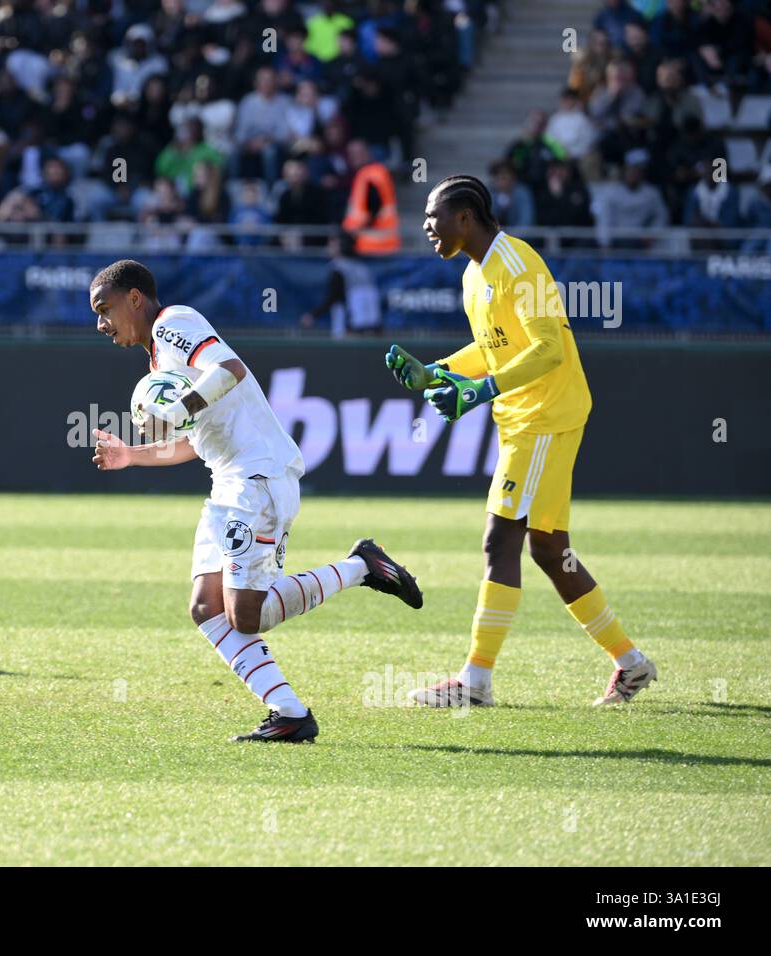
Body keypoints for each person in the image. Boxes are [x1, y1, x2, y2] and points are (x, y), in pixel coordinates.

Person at [88, 259, 422, 743]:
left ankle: (361, 567)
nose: (101, 323)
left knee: (247, 614)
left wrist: (176, 408)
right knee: (206, 608)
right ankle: (288, 712)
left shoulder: (172, 323)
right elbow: (194, 440)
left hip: (257, 478)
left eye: (105, 309)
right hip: (226, 483)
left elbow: (230, 369)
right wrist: (131, 456)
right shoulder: (161, 361)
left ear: (134, 299)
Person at [386, 175, 656, 708]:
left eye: (432, 217)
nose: (425, 228)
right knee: (551, 550)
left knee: (500, 540)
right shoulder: (473, 275)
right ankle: (630, 662)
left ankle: (475, 681)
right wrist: (436, 372)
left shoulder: (517, 263)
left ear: (465, 217)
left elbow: (549, 348)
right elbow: (493, 348)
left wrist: (478, 393)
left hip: (542, 417)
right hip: (528, 417)